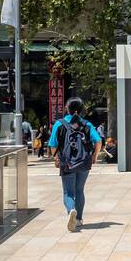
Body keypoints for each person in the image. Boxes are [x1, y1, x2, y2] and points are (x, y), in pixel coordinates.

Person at [50, 96, 101, 232]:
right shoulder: (86, 124)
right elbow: (98, 141)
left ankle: (71, 210)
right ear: (81, 109)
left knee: (68, 192)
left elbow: (52, 144)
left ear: (67, 108)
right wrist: (95, 156)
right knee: (79, 190)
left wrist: (56, 158)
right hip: (84, 162)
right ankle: (78, 219)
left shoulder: (59, 124)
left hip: (67, 162)